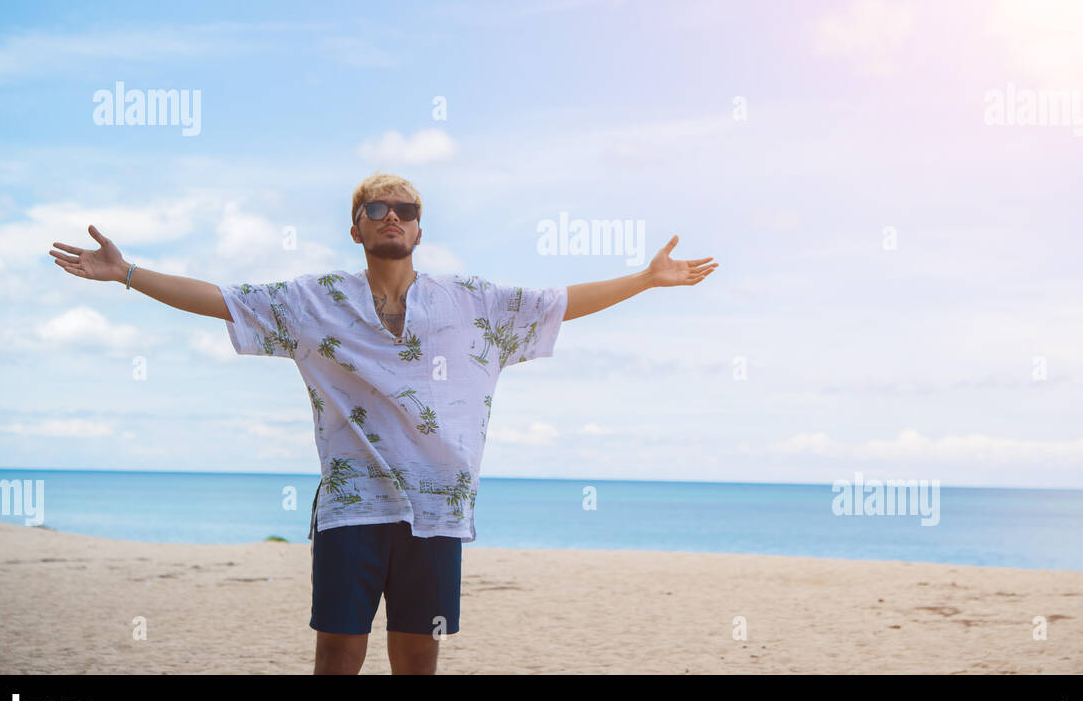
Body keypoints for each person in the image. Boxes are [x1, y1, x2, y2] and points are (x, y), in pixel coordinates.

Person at [48, 172, 717, 674]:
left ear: (420, 229)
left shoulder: (472, 302)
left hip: (436, 513)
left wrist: (645, 278)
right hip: (352, 507)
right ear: (357, 226)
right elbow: (221, 298)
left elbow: (561, 302)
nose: (392, 215)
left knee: (415, 657)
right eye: (377, 207)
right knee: (339, 650)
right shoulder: (314, 303)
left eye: (406, 209)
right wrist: (128, 272)